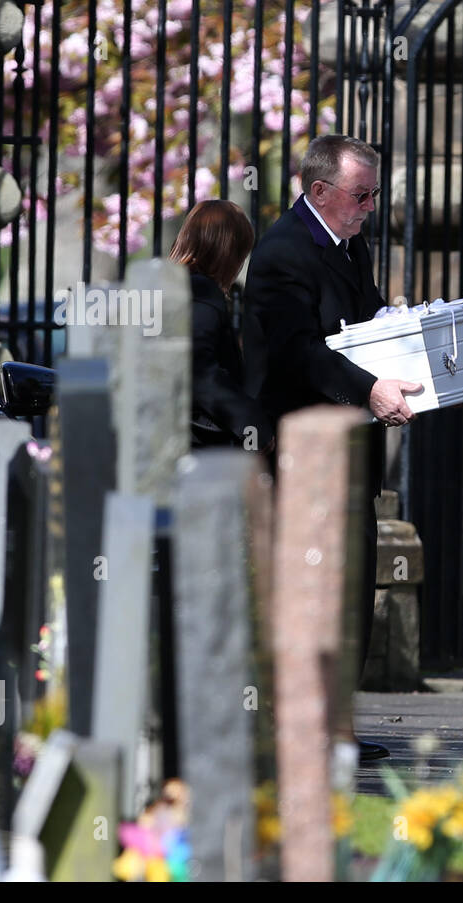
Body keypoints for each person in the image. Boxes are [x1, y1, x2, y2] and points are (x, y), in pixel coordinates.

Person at [243, 134, 422, 764]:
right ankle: (301, 730)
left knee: (349, 590)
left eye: (374, 193)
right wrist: (371, 390)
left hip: (348, 455)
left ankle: (336, 728)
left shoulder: (352, 245)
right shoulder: (281, 254)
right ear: (319, 191)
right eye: (361, 194)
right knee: (308, 596)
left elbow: (366, 324)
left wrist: (411, 343)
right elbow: (298, 352)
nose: (371, 205)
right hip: (299, 458)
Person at [169, 199, 274, 452]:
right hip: (197, 445)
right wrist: (253, 426)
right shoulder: (199, 291)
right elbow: (201, 370)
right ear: (227, 252)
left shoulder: (172, 286)